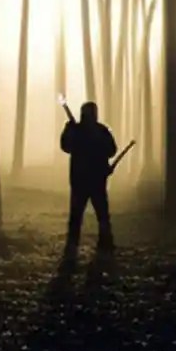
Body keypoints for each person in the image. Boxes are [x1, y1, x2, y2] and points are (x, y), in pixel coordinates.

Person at [59, 101, 117, 258]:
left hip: (88, 179)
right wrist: (69, 130)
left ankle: (97, 243)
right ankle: (80, 245)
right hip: (86, 180)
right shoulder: (90, 130)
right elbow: (66, 146)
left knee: (97, 214)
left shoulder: (98, 131)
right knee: (87, 214)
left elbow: (111, 150)